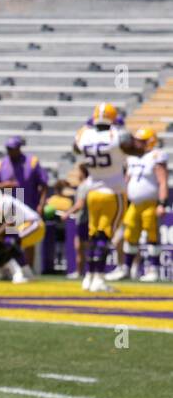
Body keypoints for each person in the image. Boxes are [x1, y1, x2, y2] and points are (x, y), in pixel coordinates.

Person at [71, 102, 138, 292]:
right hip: (113, 192)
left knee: (93, 235)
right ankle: (99, 278)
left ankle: (89, 277)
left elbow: (76, 148)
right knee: (104, 236)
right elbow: (134, 148)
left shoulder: (85, 135)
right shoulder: (117, 134)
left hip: (93, 192)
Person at [0, 135, 49, 274]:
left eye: (13, 149)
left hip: (28, 207)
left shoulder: (32, 162)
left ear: (19, 148)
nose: (10, 151)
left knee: (27, 241)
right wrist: (5, 185)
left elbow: (44, 184)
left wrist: (41, 204)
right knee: (9, 239)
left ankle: (28, 270)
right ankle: (10, 270)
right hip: (7, 210)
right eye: (8, 149)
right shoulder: (1, 163)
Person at [119, 127, 167, 282]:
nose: (137, 143)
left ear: (149, 142)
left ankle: (154, 270)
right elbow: (127, 179)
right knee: (130, 235)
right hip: (134, 204)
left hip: (150, 203)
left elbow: (162, 182)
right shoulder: (131, 158)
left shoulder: (156, 156)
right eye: (137, 140)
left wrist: (162, 203)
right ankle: (126, 268)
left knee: (152, 236)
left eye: (141, 141)